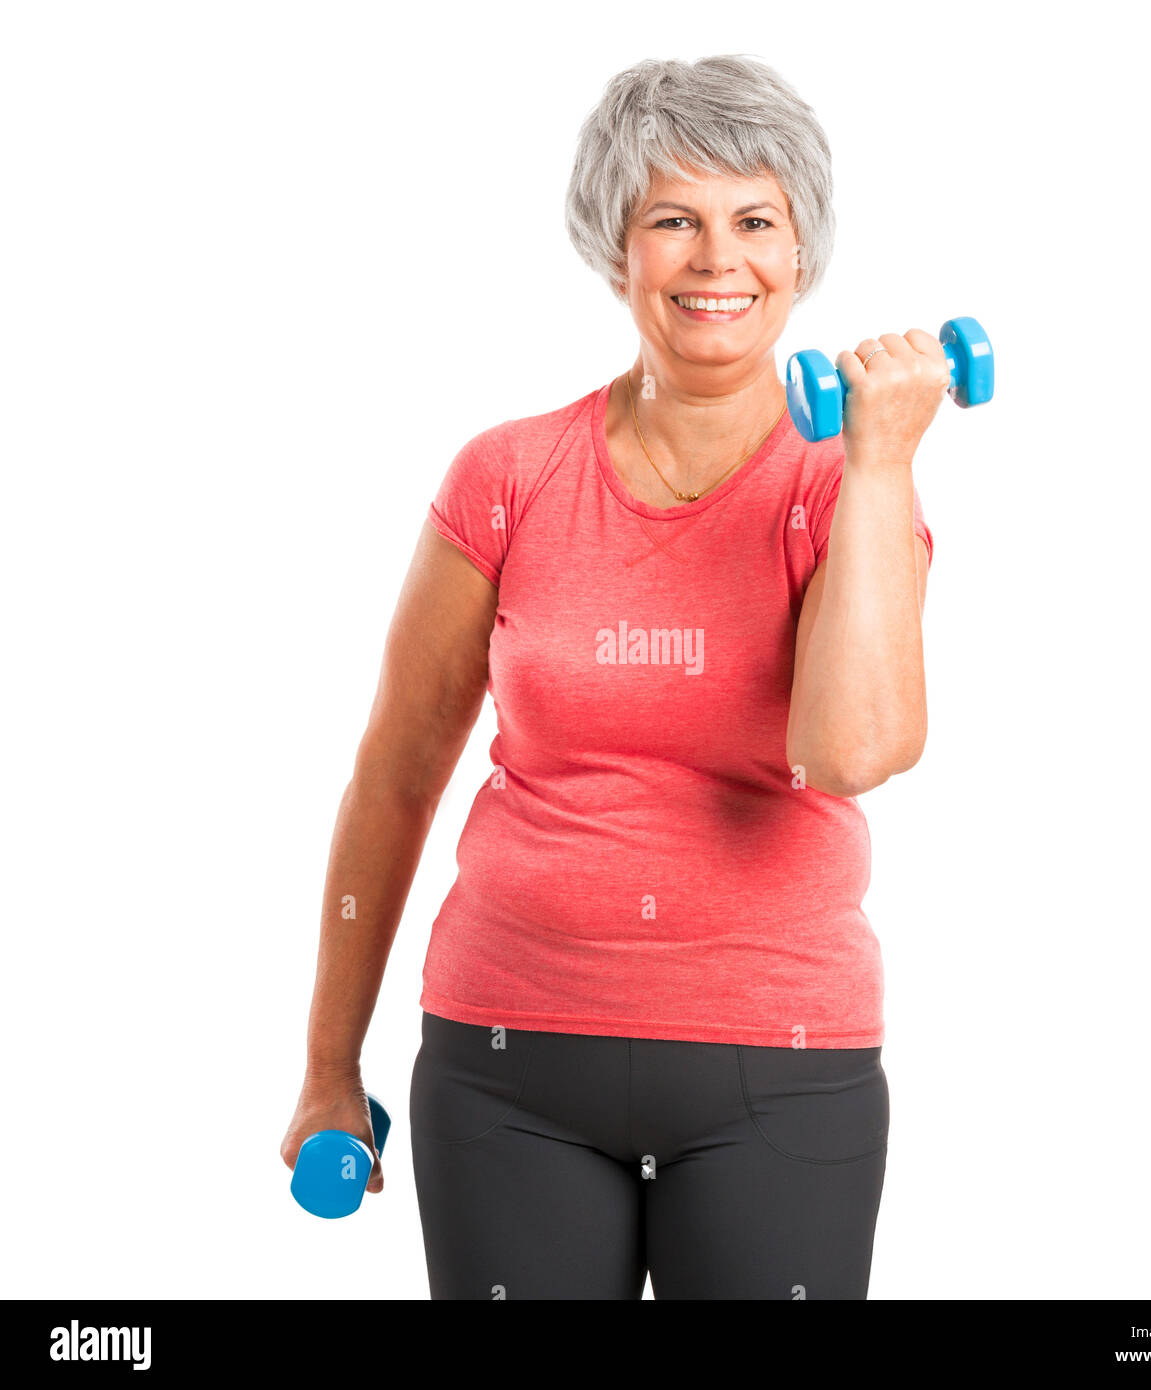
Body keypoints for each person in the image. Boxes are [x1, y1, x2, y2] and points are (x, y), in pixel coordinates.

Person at [281, 53, 948, 1300]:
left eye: (755, 221)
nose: (716, 260)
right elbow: (393, 773)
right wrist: (329, 1066)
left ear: (801, 253)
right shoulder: (509, 474)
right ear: (615, 247)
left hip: (782, 1063)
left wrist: (872, 467)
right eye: (672, 221)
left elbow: (849, 751)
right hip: (503, 1064)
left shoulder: (841, 487)